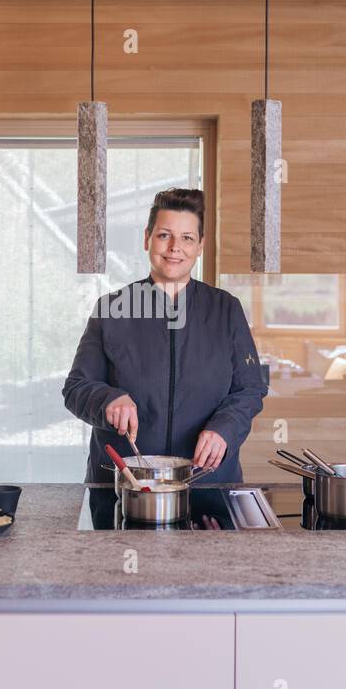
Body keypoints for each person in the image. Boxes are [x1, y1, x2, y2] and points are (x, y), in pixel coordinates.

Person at [62, 187, 267, 483]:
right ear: (147, 239)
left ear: (200, 246)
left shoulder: (226, 310)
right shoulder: (112, 308)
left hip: (207, 483)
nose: (175, 247)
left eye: (187, 238)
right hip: (123, 486)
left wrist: (225, 428)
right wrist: (108, 399)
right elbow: (76, 388)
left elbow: (250, 389)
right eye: (164, 235)